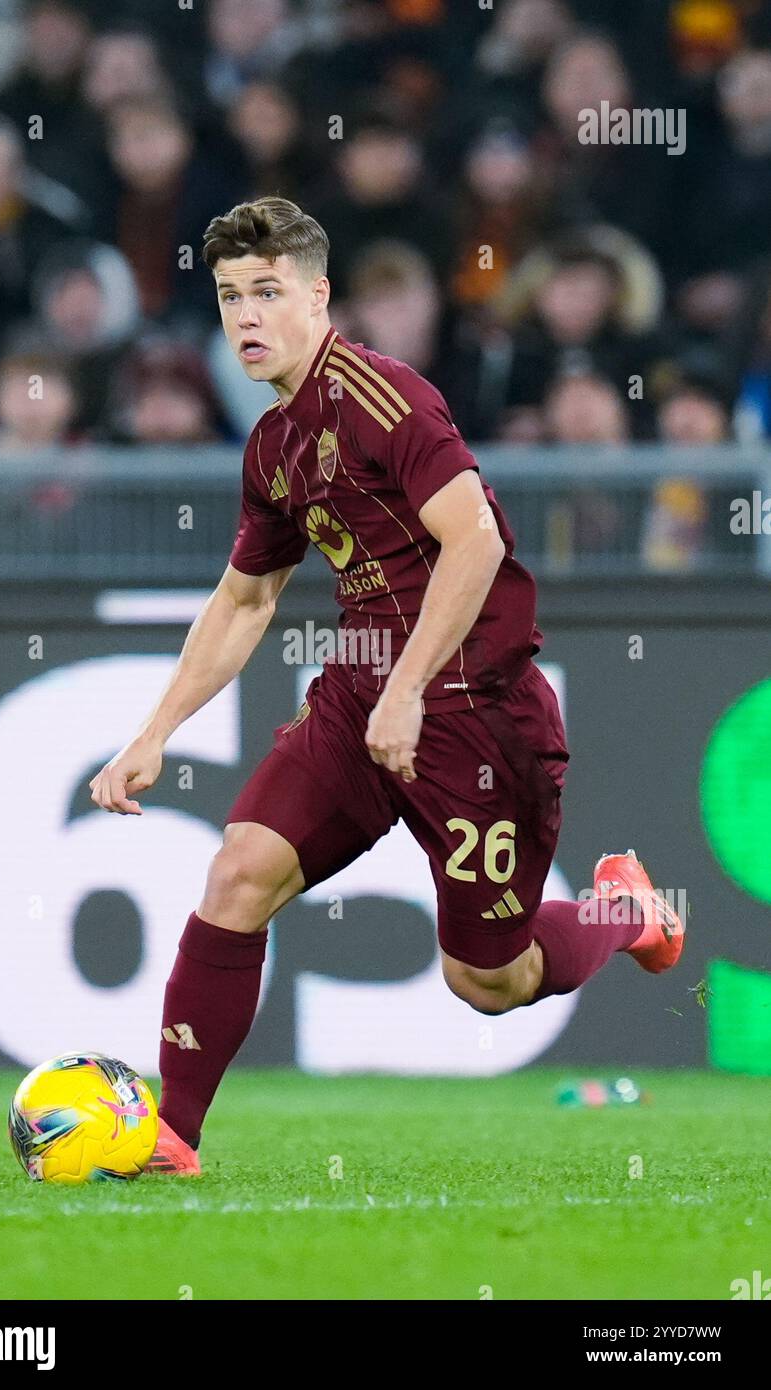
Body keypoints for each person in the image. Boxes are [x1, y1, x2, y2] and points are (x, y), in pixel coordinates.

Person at [89, 197, 685, 1176]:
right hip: (361, 699)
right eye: (232, 295)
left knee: (488, 979)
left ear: (319, 297)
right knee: (239, 871)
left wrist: (410, 688)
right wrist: (153, 731)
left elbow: (477, 540)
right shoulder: (273, 446)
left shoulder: (386, 399)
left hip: (478, 718)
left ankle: (625, 912)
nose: (246, 315)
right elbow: (243, 604)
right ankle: (173, 1135)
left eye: (268, 292)